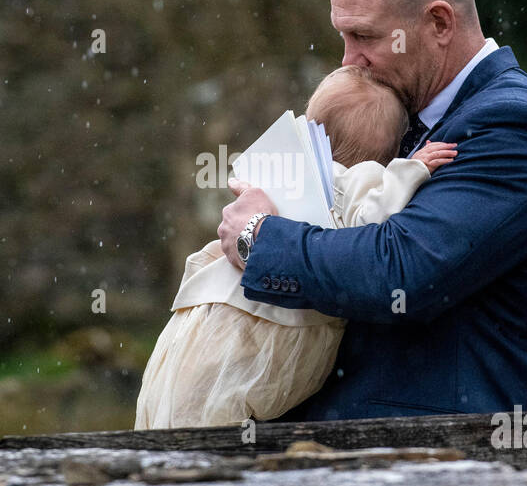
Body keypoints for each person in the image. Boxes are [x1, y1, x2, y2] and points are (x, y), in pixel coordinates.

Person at [217, 0, 527, 420]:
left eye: (364, 37)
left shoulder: (517, 127)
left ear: (439, 23)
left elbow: (400, 271)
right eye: (343, 36)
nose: (349, 62)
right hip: (373, 465)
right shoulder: (403, 113)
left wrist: (258, 237)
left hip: (460, 470)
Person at [135, 65, 458, 429]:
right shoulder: (359, 178)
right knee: (223, 415)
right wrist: (410, 170)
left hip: (211, 316)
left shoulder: (280, 174)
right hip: (272, 328)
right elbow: (373, 221)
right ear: (387, 152)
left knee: (179, 406)